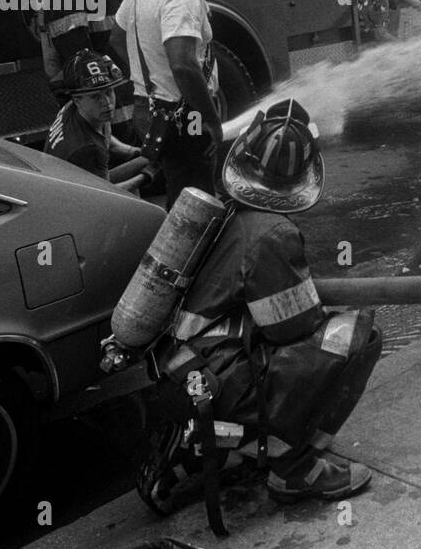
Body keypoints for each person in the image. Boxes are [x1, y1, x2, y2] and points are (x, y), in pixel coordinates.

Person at [136, 99, 382, 525]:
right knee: (353, 338)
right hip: (214, 378)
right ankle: (295, 469)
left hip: (179, 369)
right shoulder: (273, 233)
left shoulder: (226, 209)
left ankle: (199, 449)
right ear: (301, 180)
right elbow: (295, 331)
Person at [116, 0, 238, 209]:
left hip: (150, 112)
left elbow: (118, 38)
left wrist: (147, 83)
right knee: (197, 203)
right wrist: (210, 120)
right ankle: (192, 258)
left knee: (180, 189)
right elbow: (183, 65)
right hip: (184, 117)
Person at [44, 50, 142, 181]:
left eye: (108, 92)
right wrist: (147, 175)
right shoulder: (87, 149)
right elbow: (107, 196)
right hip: (74, 197)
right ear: (77, 100)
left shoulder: (74, 108)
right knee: (148, 165)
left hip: (78, 182)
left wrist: (133, 151)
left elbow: (104, 136)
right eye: (96, 97)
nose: (107, 103)